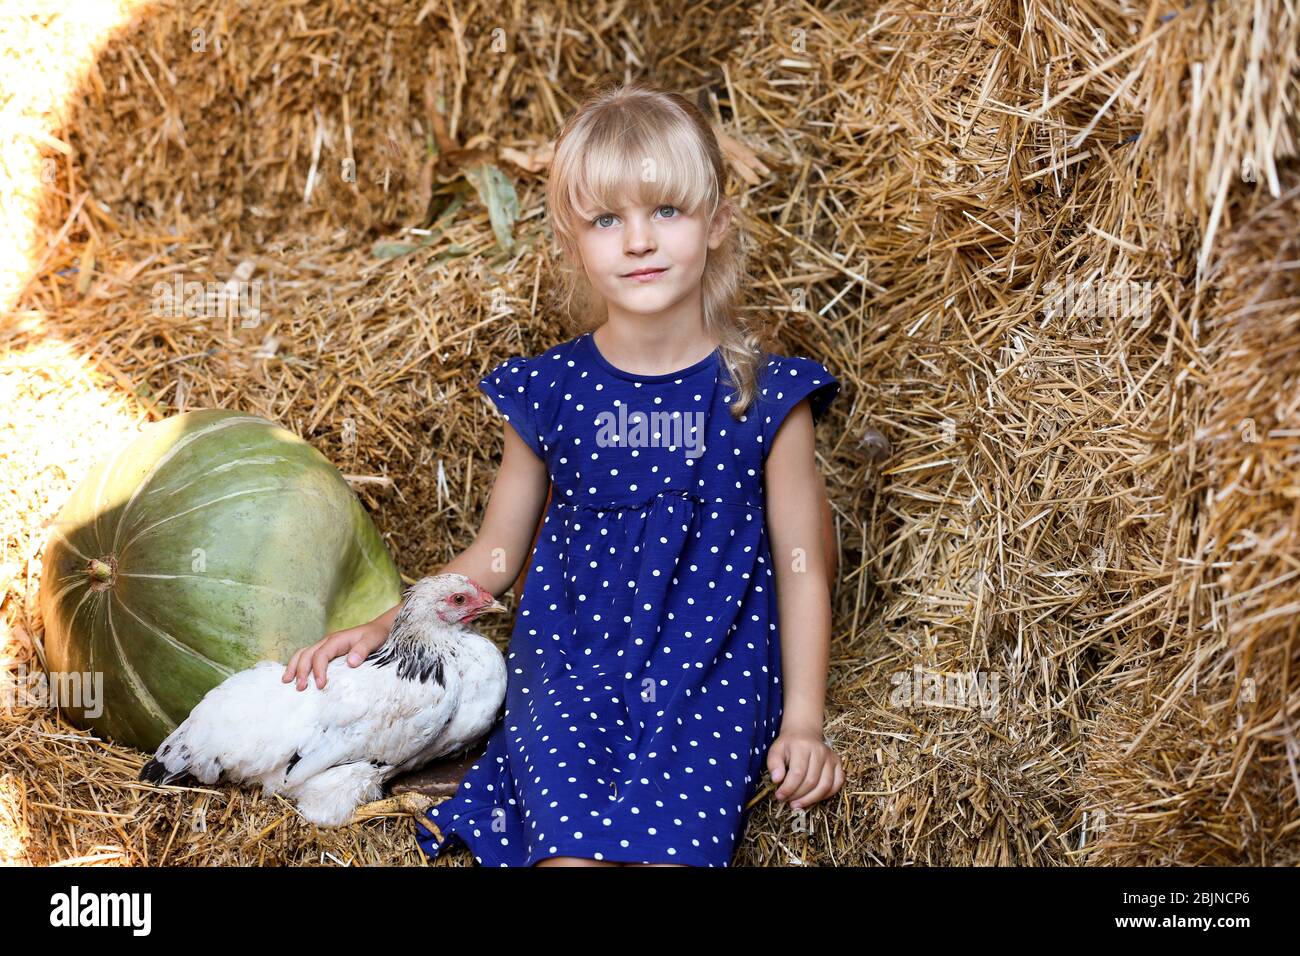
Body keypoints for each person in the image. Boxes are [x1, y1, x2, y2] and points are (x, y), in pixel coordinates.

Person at [281, 80, 844, 866]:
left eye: (667, 211)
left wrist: (805, 722)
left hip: (708, 674)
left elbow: (803, 566)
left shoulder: (763, 395)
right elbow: (497, 559)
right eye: (608, 220)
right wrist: (392, 622)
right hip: (574, 663)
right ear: (571, 238)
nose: (639, 240)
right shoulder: (551, 392)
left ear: (717, 222)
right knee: (568, 851)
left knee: (666, 844)